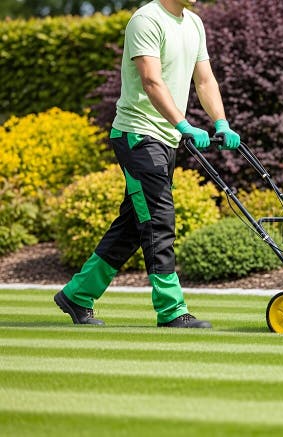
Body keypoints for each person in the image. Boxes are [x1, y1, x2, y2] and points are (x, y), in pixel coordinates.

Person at [54, 0, 239, 328]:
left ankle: (78, 294)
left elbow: (205, 80)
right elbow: (152, 81)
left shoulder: (193, 23)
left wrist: (221, 122)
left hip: (163, 139)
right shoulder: (146, 20)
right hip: (137, 136)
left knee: (131, 225)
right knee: (158, 219)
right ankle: (171, 310)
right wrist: (183, 124)